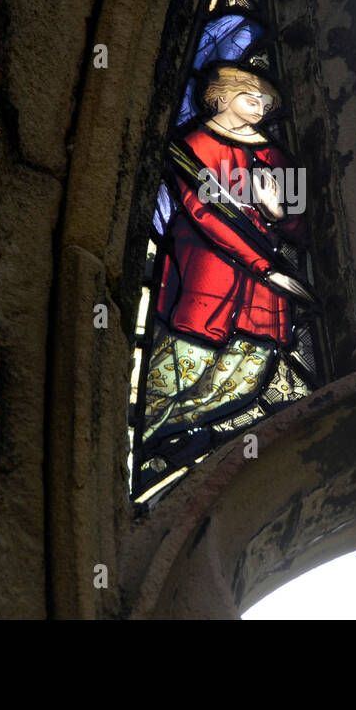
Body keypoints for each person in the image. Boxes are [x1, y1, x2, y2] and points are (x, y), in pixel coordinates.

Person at [139, 65, 312, 478]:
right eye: (251, 98)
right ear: (219, 96)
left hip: (262, 288)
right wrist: (266, 269)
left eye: (266, 103)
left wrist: (278, 212)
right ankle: (147, 438)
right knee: (184, 365)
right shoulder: (192, 146)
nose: (260, 108)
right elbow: (204, 214)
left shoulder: (275, 155)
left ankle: (166, 438)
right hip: (208, 275)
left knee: (246, 375)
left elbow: (303, 224)